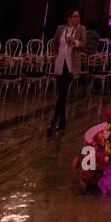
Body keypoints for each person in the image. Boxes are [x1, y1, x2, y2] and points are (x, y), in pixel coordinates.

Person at [47, 8, 85, 136]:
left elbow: (84, 44)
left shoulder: (81, 29)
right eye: (75, 16)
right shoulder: (60, 28)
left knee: (62, 94)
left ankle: (53, 123)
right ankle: (62, 121)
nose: (77, 19)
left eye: (78, 16)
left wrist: (75, 42)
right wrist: (56, 53)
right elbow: (55, 41)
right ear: (69, 18)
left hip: (70, 65)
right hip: (60, 63)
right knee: (61, 93)